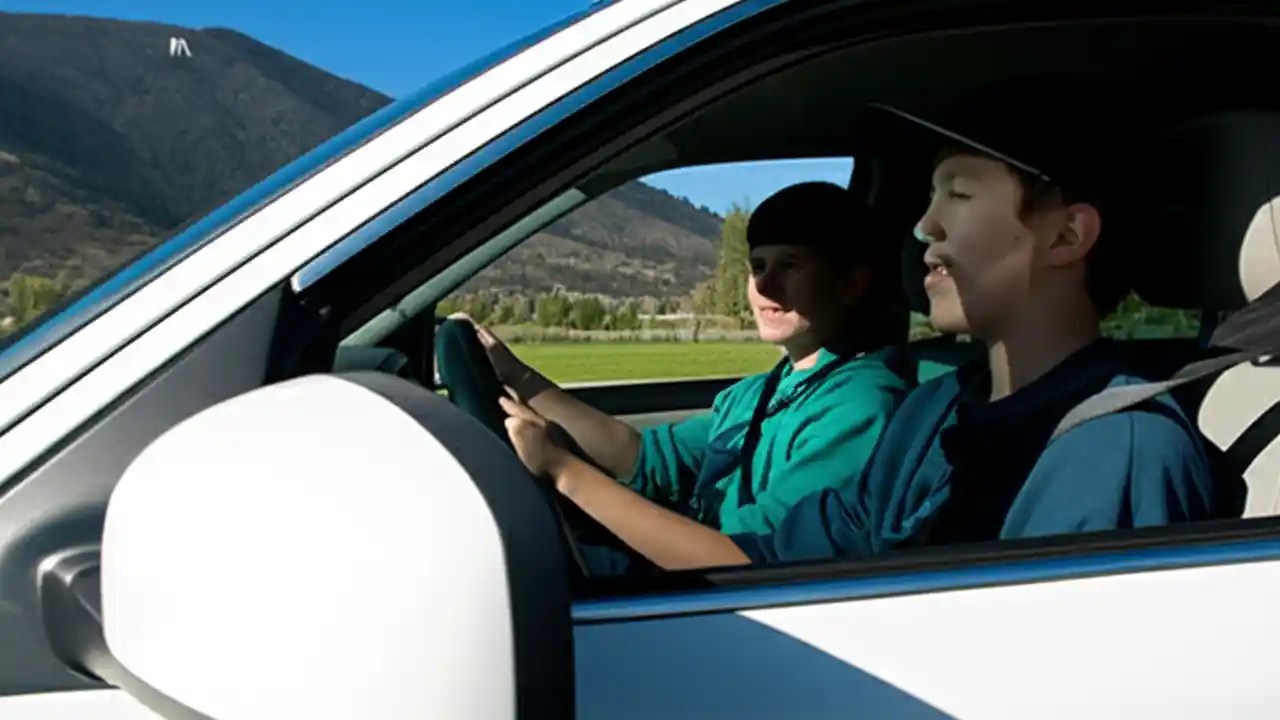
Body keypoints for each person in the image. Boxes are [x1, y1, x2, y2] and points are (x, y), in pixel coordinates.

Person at [723, 81, 1220, 567]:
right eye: (931, 196)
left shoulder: (1116, 453)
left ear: (1066, 237)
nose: (923, 226)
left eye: (958, 194)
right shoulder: (935, 409)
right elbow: (775, 563)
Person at [474, 181, 913, 573]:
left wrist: (562, 470)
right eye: (757, 267)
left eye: (790, 265)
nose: (764, 286)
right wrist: (518, 375)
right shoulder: (759, 392)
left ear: (851, 284)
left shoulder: (859, 405)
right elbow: (647, 458)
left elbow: (744, 558)